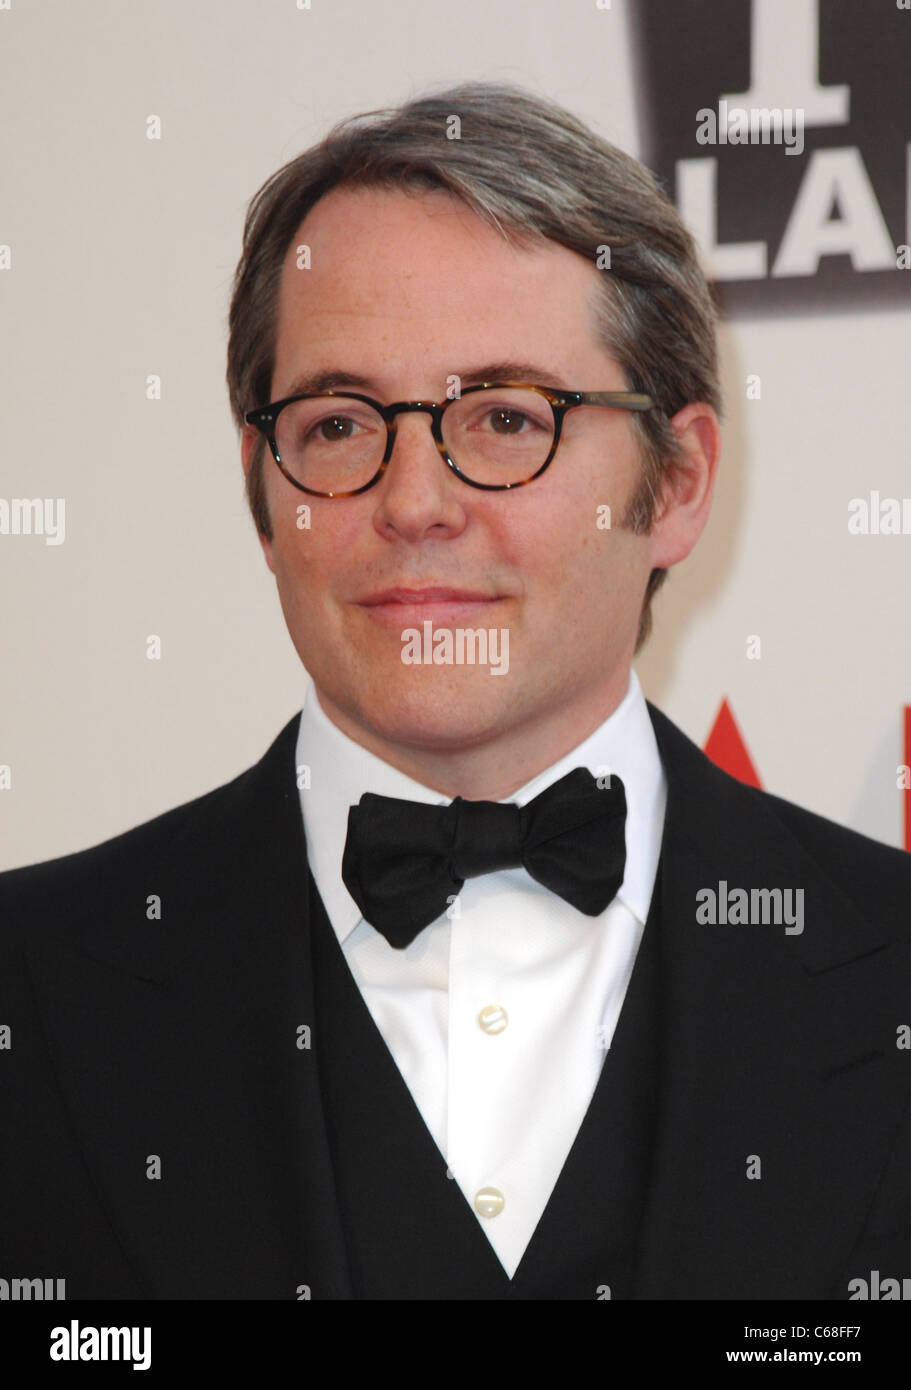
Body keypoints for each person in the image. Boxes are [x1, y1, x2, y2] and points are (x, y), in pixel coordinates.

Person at [2, 82, 910, 1302]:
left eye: (503, 417)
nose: (414, 501)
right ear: (264, 493)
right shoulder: (32, 983)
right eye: (337, 425)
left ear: (678, 481)